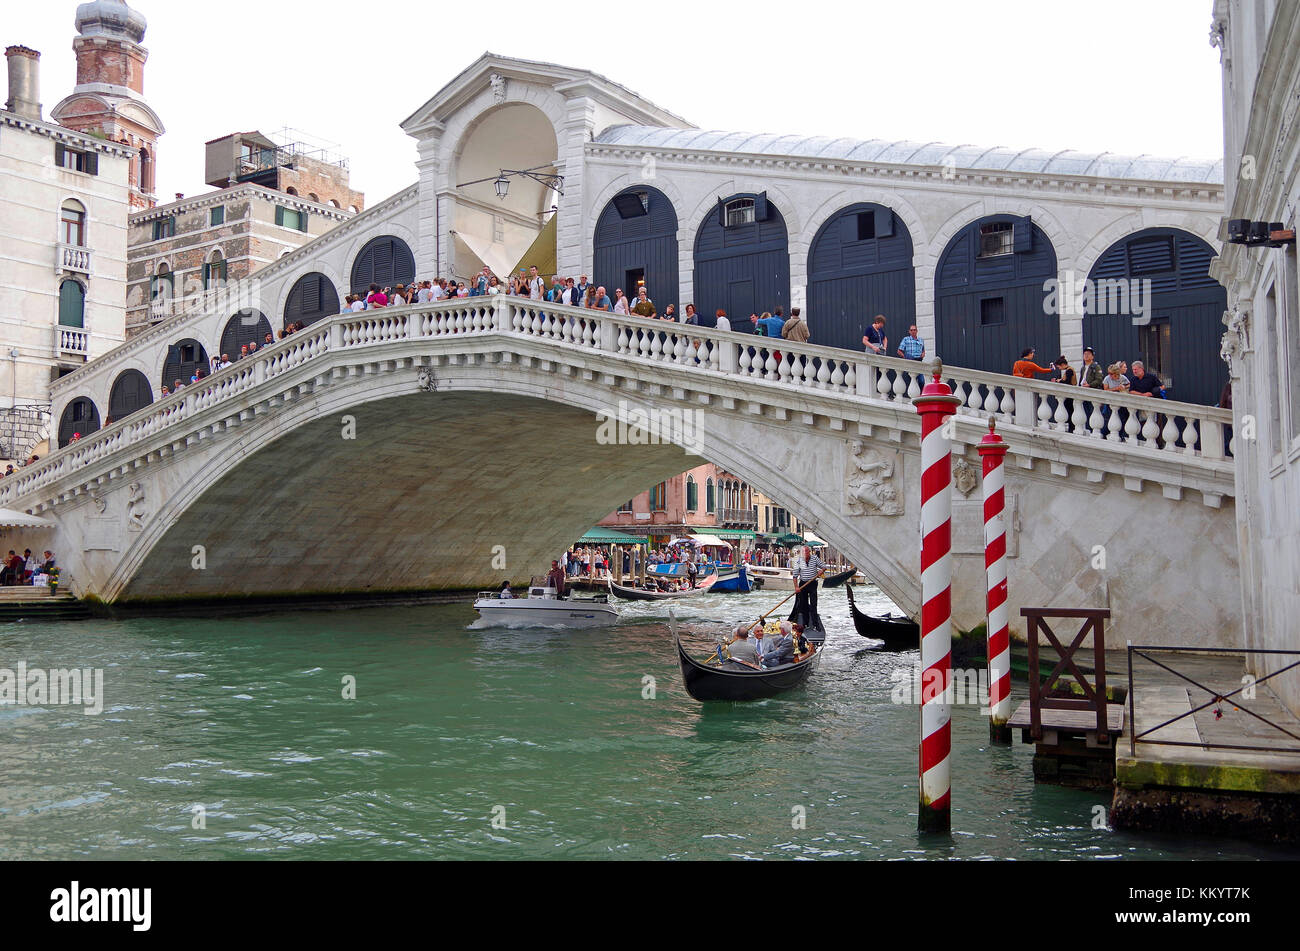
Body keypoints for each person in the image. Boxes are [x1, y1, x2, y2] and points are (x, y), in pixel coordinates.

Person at [790, 545, 827, 629]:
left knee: (814, 604)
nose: (804, 553)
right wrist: (796, 587)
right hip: (803, 584)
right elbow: (795, 576)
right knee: (804, 605)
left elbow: (824, 566)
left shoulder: (814, 558)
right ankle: (805, 624)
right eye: (803, 552)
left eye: (806, 551)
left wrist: (821, 570)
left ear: (809, 552)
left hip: (812, 583)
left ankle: (815, 624)